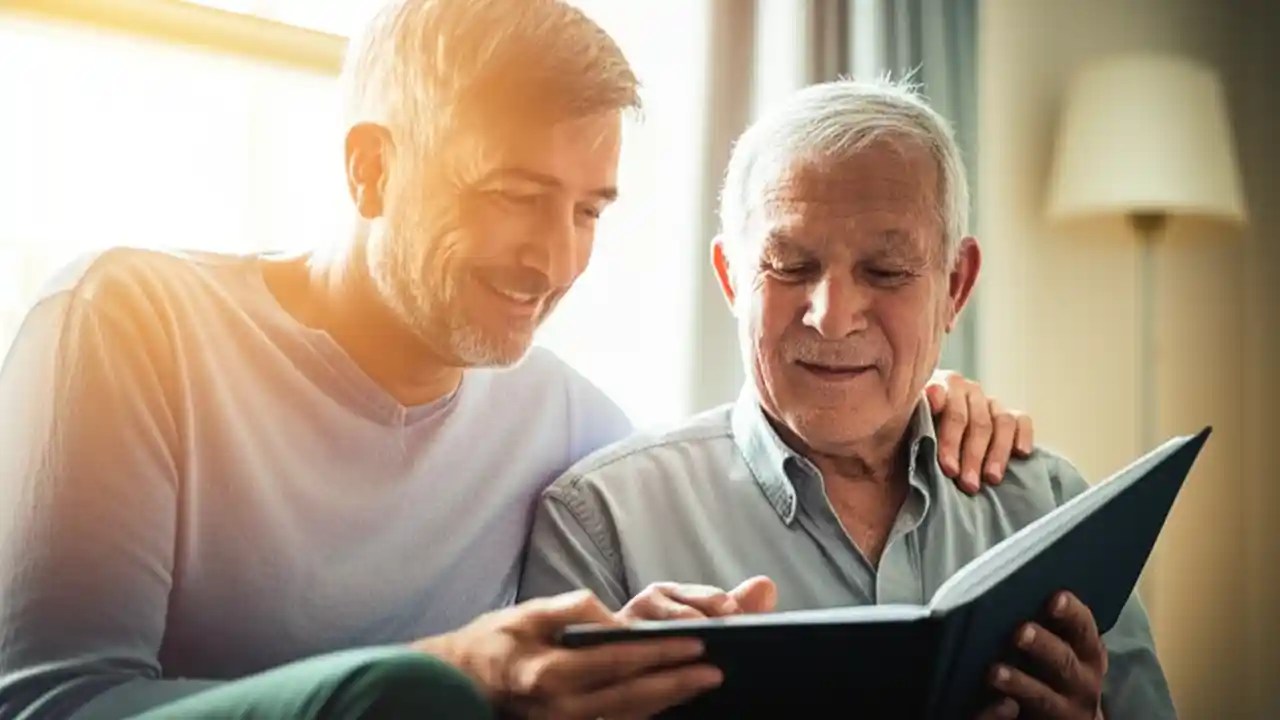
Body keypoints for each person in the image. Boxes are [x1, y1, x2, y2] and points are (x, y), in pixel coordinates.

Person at [0, 2, 1035, 719]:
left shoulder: (573, 431)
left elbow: (771, 424)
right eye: (510, 194)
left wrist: (916, 406)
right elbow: (53, 705)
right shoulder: (128, 323)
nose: (554, 261)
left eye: (587, 210)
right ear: (371, 167)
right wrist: (448, 676)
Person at [520, 78, 1176, 720]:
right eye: (790, 266)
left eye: (885, 271)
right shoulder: (602, 524)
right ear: (730, 278)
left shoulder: (1054, 509)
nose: (833, 318)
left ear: (955, 285)